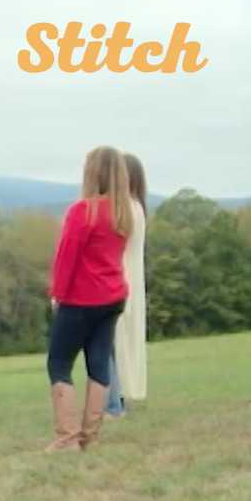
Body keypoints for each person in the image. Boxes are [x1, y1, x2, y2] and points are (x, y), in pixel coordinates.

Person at [46, 146, 133, 452]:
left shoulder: (82, 211)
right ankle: (90, 436)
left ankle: (67, 436)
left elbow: (66, 258)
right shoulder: (124, 213)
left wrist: (57, 294)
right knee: (99, 362)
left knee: (59, 363)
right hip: (113, 296)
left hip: (81, 298)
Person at [107, 152, 149, 417]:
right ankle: (117, 397)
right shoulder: (138, 208)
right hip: (131, 279)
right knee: (119, 342)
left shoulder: (125, 210)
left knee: (112, 343)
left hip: (120, 279)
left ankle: (114, 401)